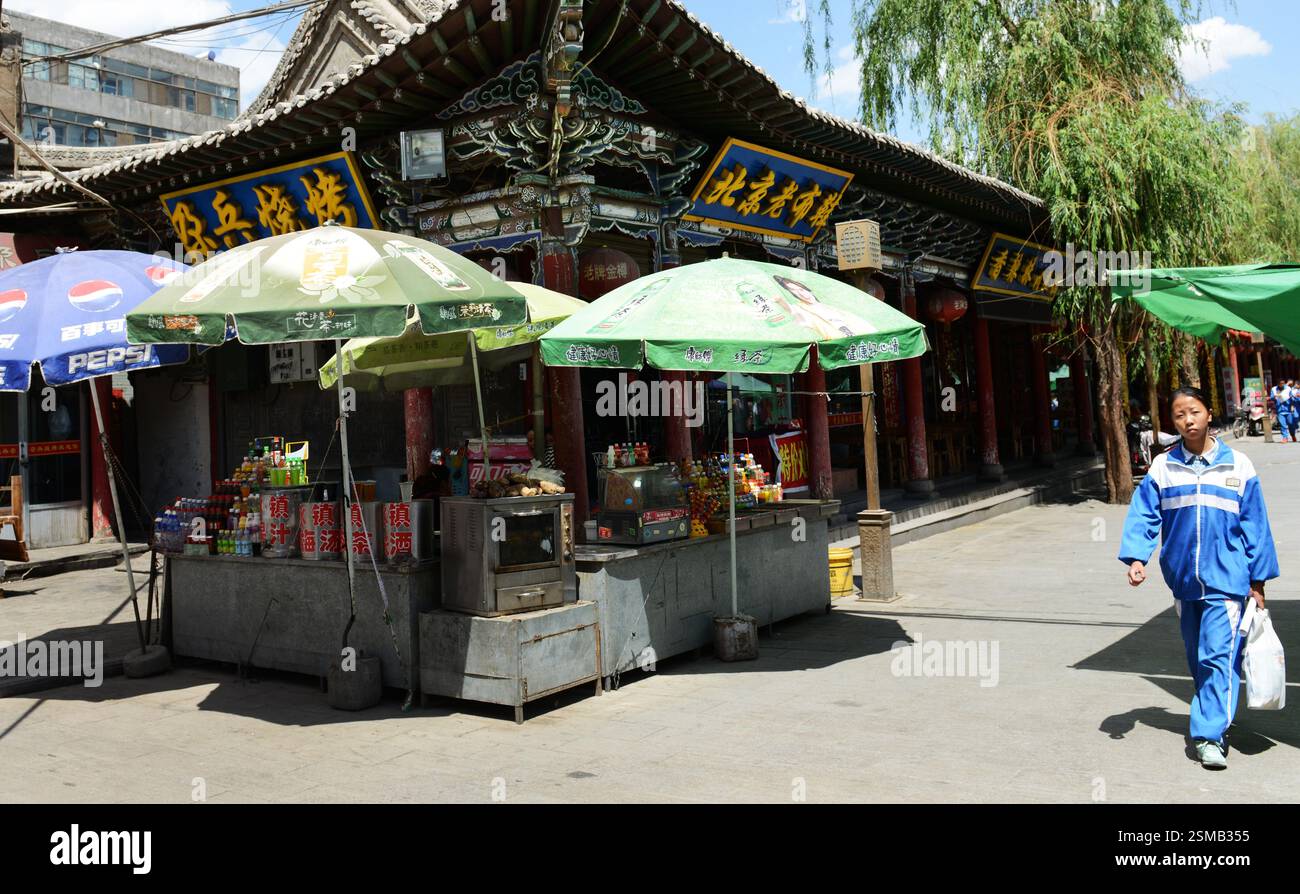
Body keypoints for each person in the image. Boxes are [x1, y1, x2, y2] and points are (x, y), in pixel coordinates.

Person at [1119, 386, 1279, 769]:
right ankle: (1213, 708)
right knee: (1197, 657)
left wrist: (1258, 582)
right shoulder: (1163, 466)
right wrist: (1137, 557)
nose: (1187, 420)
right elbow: (1145, 515)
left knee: (1216, 656)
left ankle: (1209, 735)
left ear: (1209, 413)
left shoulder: (1238, 465)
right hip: (1183, 583)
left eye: (1193, 411)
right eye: (1178, 415)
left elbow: (1256, 525)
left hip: (1228, 581)